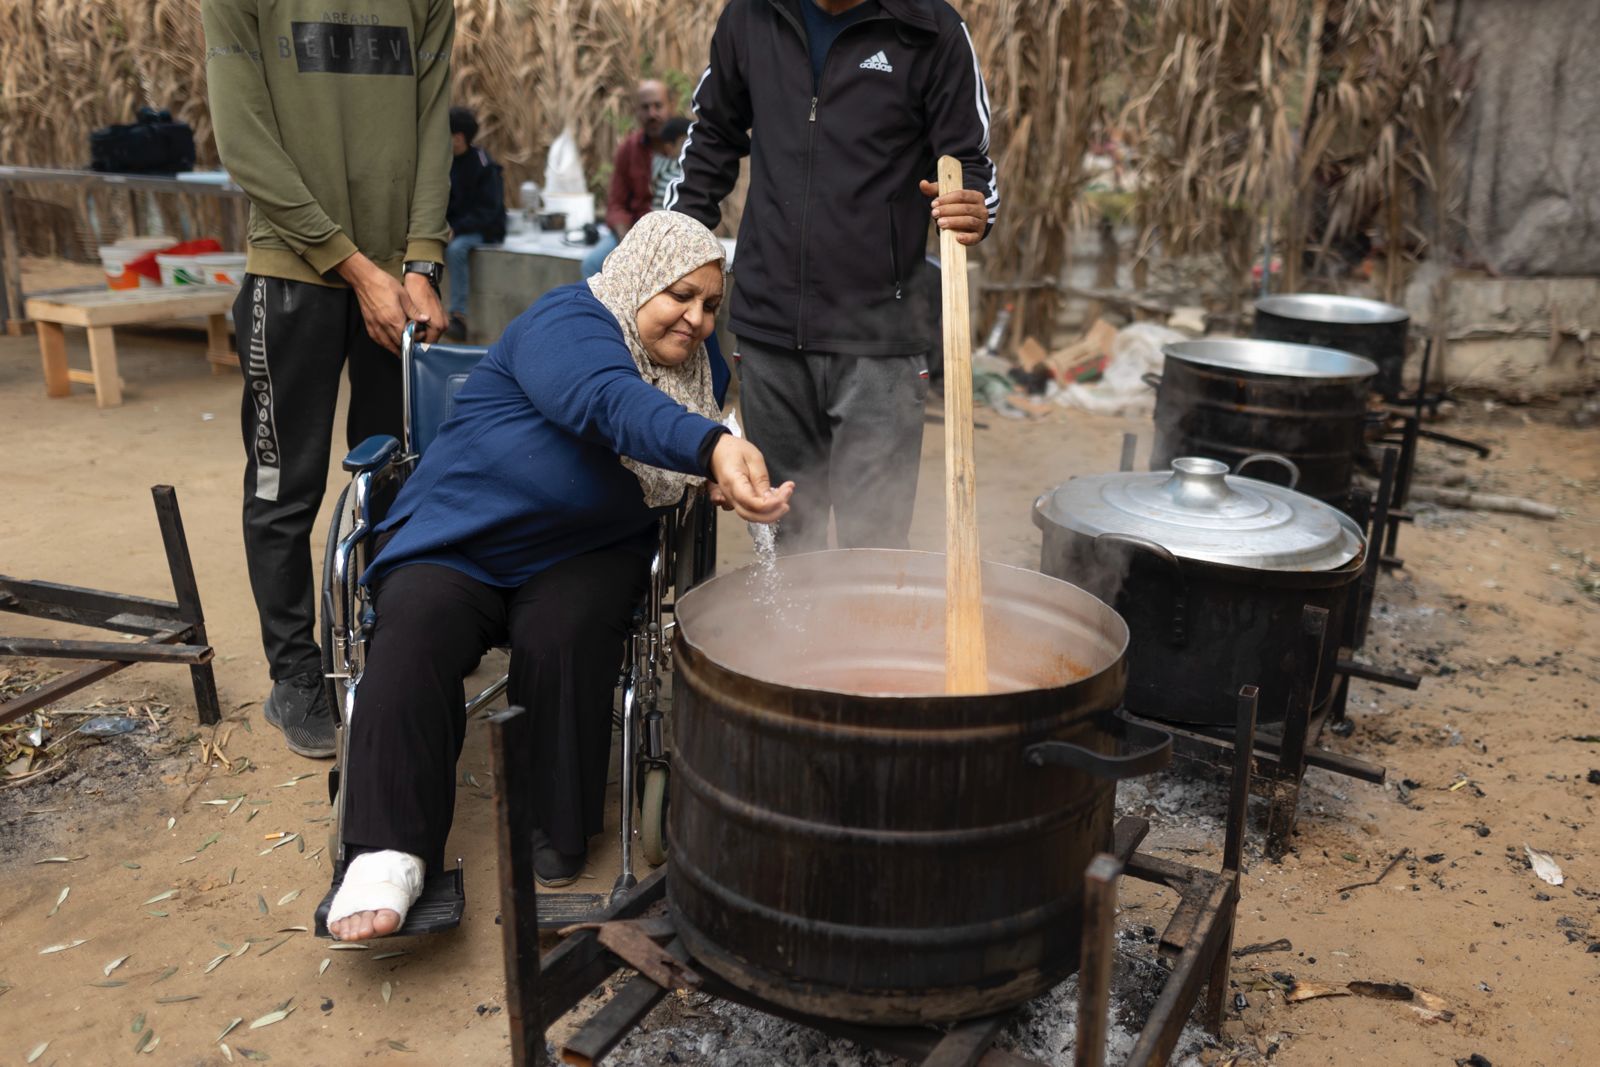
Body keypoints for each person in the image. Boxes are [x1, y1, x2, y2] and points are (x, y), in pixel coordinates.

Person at [324, 212, 792, 941]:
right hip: (462, 535)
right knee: (415, 625)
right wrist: (708, 448)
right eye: (680, 295)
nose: (697, 318)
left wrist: (717, 477)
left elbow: (685, 444)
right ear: (638, 275)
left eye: (710, 305)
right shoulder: (569, 321)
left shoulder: (703, 373)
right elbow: (608, 401)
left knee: (567, 631)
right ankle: (390, 849)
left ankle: (556, 827)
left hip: (584, 550)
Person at [202, 0, 453, 759]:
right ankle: (295, 676)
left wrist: (421, 261)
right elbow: (244, 141)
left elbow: (433, 115)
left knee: (396, 480)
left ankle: (379, 653)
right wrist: (353, 265)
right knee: (287, 486)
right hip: (292, 273)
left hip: (401, 285)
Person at [667, 0, 999, 554]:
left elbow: (969, 167)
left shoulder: (930, 28)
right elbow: (712, 139)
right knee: (782, 540)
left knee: (873, 545)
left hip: (881, 340)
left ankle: (866, 641)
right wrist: (671, 249)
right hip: (770, 327)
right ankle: (787, 641)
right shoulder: (751, 17)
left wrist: (974, 208)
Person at [581, 79, 673, 277]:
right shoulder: (629, 148)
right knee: (592, 264)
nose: (652, 114)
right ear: (637, 112)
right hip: (636, 232)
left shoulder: (687, 147)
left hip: (675, 233)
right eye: (645, 108)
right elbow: (616, 204)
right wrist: (627, 241)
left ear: (670, 107)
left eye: (658, 106)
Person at [445, 106, 506, 341]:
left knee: (457, 249)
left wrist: (457, 228)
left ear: (459, 137)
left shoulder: (482, 165)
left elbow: (489, 211)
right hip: (455, 227)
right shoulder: (446, 162)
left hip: (483, 229)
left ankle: (458, 316)